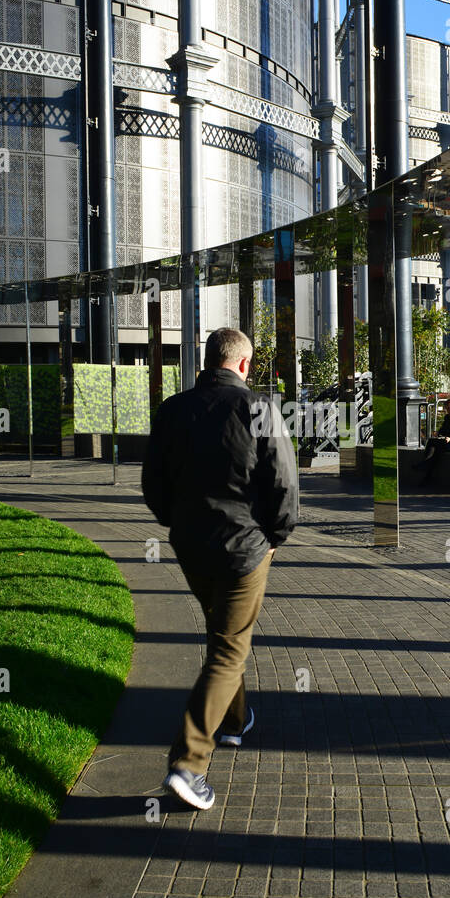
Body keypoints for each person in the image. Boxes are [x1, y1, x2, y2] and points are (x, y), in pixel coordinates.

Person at [142, 326, 298, 811]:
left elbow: (153, 483)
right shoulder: (260, 409)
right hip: (244, 550)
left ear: (208, 361)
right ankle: (189, 763)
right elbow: (284, 485)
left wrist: (177, 522)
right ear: (245, 365)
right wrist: (275, 538)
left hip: (191, 546)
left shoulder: (172, 410)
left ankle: (234, 722)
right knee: (229, 651)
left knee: (224, 636)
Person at [414, 395, 450, 485]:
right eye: (446, 409)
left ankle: (425, 466)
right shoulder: (447, 417)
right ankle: (427, 476)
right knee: (435, 451)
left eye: (449, 409)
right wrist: (438, 433)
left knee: (433, 444)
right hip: (445, 442)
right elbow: (443, 430)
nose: (447, 411)